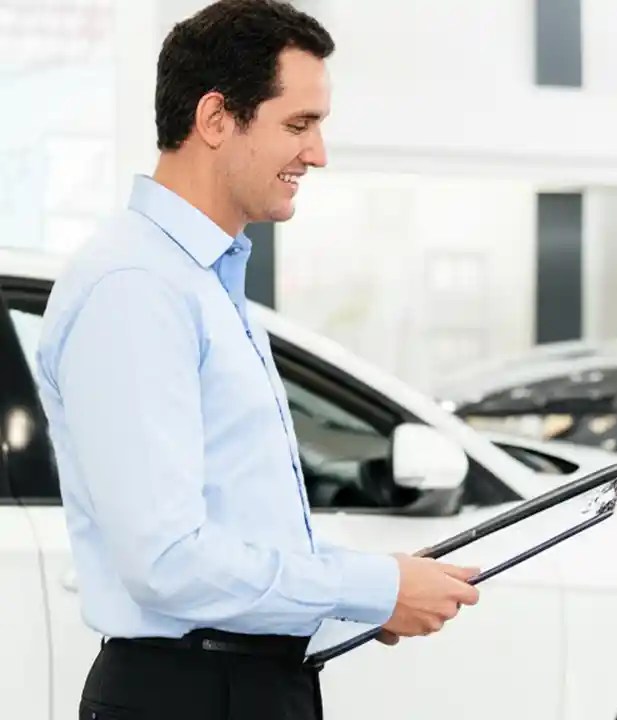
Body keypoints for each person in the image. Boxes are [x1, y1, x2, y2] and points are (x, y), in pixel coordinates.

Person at [35, 2, 479, 718]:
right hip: (190, 695)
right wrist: (373, 587)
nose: (318, 153)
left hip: (244, 685)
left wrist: (378, 592)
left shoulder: (201, 279)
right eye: (298, 125)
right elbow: (167, 563)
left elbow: (244, 526)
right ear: (216, 119)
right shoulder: (136, 287)